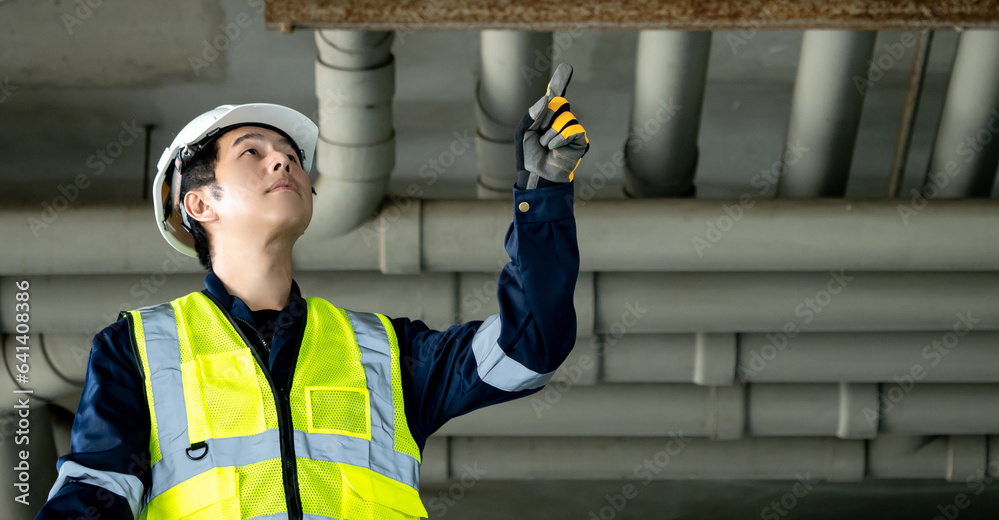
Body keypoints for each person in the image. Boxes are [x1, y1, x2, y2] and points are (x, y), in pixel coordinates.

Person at [35, 63, 589, 520]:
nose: (284, 160)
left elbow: (528, 348)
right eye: (252, 152)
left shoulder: (387, 351)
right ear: (200, 205)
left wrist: (540, 198)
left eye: (291, 155)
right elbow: (92, 499)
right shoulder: (138, 348)